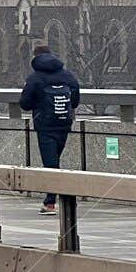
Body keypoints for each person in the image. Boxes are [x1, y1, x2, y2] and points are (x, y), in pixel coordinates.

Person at [20, 44, 81, 214]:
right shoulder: (67, 75)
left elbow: (25, 104)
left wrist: (38, 104)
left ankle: (51, 203)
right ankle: (58, 199)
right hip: (64, 123)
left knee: (50, 163)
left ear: (35, 57)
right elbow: (75, 100)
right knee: (54, 160)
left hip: (45, 125)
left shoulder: (35, 78)